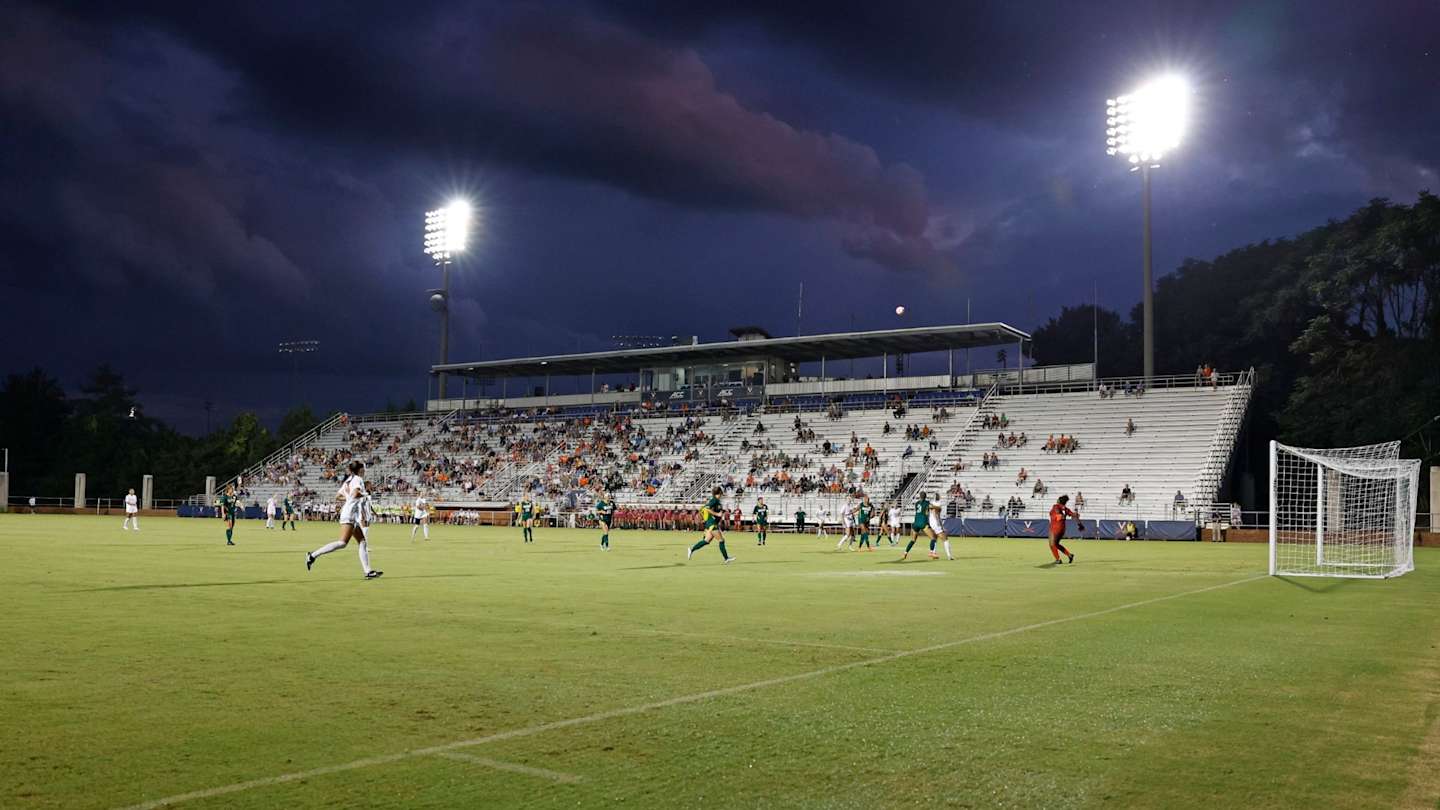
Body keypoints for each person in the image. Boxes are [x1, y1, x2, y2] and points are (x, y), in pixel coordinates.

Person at [305, 460, 383, 579]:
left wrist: (348, 499)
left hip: (349, 512)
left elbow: (338, 496)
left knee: (362, 541)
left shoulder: (348, 480)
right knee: (342, 543)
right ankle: (312, 555)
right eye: (363, 468)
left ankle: (368, 571)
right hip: (349, 514)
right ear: (360, 469)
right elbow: (356, 494)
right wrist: (365, 494)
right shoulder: (357, 479)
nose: (364, 470)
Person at [687, 487, 733, 563]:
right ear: (718, 493)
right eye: (721, 493)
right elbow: (707, 509)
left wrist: (723, 512)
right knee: (721, 540)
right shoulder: (714, 500)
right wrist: (717, 514)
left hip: (712, 523)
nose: (721, 495)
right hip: (712, 523)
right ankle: (726, 558)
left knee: (706, 541)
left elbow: (716, 510)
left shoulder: (717, 501)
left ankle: (691, 549)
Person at [901, 492, 940, 560]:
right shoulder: (926, 503)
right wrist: (937, 507)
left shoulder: (916, 503)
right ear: (925, 497)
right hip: (923, 522)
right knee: (933, 538)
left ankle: (905, 553)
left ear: (920, 496)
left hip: (916, 523)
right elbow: (930, 508)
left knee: (913, 540)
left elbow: (923, 510)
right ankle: (931, 552)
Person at [1048, 494, 1081, 565]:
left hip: (1055, 527)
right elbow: (1074, 515)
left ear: (1059, 500)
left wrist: (1059, 516)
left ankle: (1058, 560)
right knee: (1056, 544)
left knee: (1052, 544)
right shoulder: (1066, 509)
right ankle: (1069, 555)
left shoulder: (1056, 506)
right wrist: (1080, 524)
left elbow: (1058, 515)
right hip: (1062, 528)